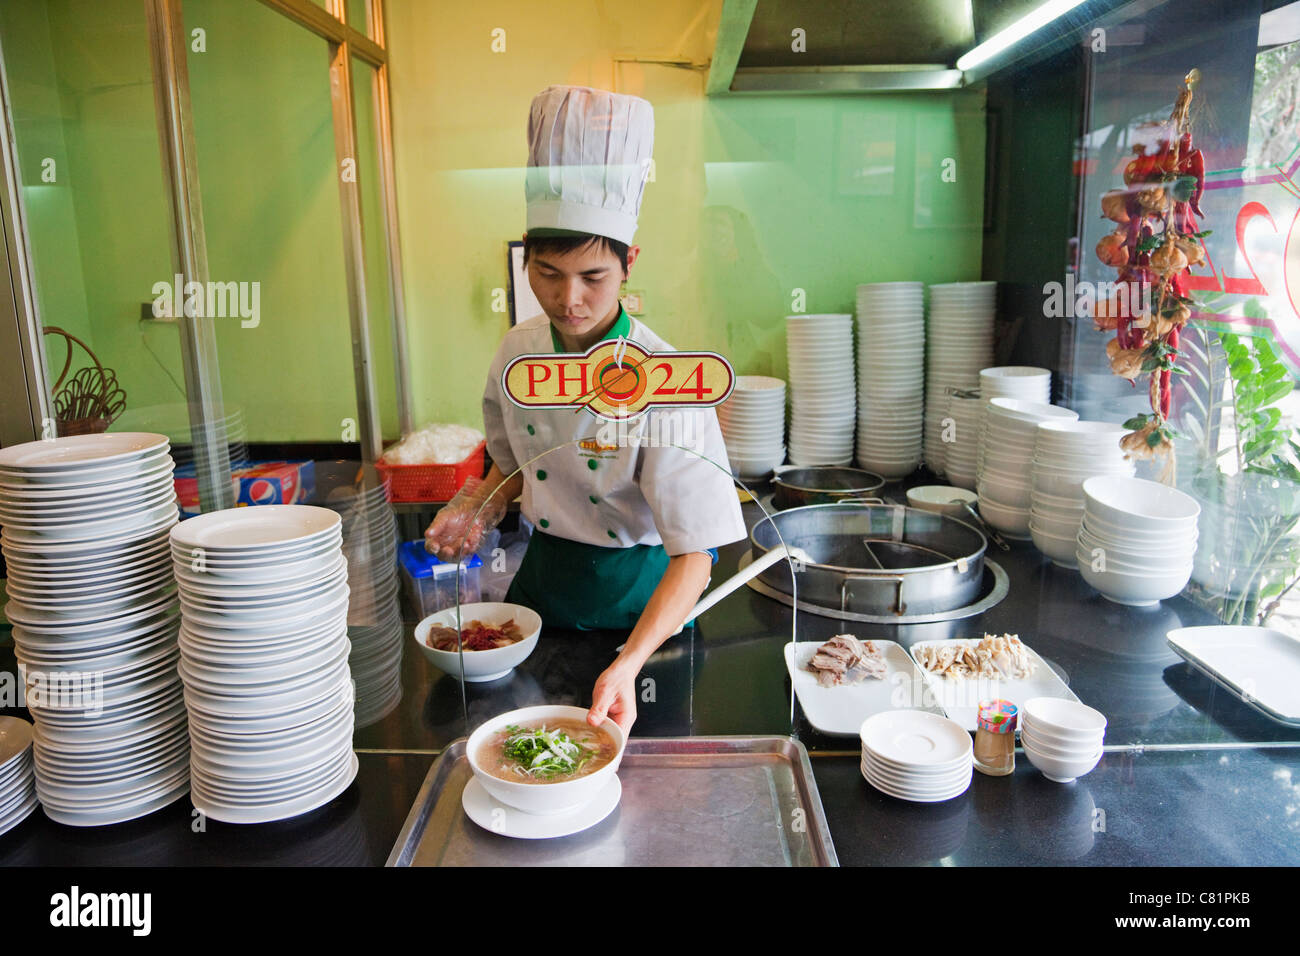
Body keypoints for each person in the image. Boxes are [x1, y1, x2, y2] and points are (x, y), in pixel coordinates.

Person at [425, 85, 745, 734]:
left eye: (592, 277)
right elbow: (514, 468)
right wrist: (476, 506)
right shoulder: (518, 353)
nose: (568, 299)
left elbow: (697, 556)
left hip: (646, 616)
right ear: (527, 258)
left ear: (628, 263)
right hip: (540, 602)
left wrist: (628, 665)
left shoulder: (662, 375)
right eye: (546, 273)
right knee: (525, 762)